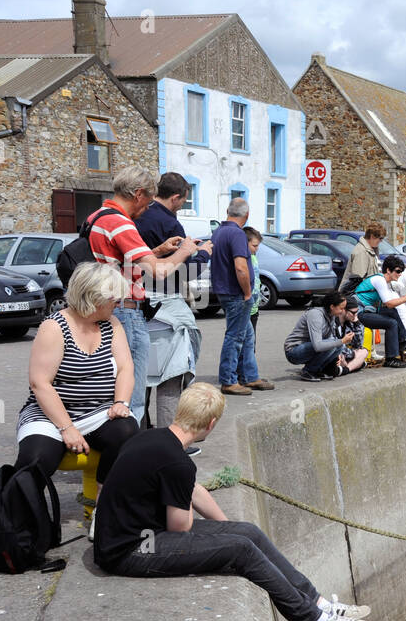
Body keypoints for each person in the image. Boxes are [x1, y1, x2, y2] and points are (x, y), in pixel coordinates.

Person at [93, 382, 373, 621]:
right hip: (129, 551)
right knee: (240, 549)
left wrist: (227, 530)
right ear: (211, 424)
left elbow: (193, 489)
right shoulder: (178, 462)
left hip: (132, 535)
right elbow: (180, 526)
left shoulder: (153, 439)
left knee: (246, 533)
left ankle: (318, 602)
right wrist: (226, 543)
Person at [14, 262, 140, 496]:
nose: (118, 304)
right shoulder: (54, 327)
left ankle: (104, 503)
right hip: (50, 416)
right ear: (95, 299)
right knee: (36, 459)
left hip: (98, 411)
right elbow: (40, 383)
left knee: (128, 432)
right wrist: (67, 428)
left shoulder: (111, 324)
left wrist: (121, 402)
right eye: (114, 298)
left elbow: (125, 368)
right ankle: (16, 520)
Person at [86, 166, 200, 422]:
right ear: (138, 194)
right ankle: (135, 455)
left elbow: (119, 262)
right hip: (126, 309)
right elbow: (159, 272)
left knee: (115, 387)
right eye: (148, 202)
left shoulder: (97, 216)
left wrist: (157, 249)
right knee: (133, 396)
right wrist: (187, 250)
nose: (148, 209)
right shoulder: (120, 222)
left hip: (104, 305)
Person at [135, 171, 209, 447]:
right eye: (183, 201)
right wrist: (203, 254)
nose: (181, 206)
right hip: (163, 308)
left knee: (139, 377)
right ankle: (168, 444)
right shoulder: (169, 223)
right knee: (170, 375)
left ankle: (138, 439)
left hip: (134, 304)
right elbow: (182, 275)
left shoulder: (136, 217)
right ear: (176, 197)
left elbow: (135, 262)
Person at [211, 198, 273, 396]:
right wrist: (247, 292)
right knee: (236, 336)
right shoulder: (236, 234)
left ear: (228, 211)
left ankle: (250, 376)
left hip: (225, 290)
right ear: (246, 215)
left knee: (246, 336)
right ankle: (229, 380)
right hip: (236, 293)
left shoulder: (219, 231)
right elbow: (241, 267)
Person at [283, 292, 366, 381]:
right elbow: (318, 346)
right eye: (341, 308)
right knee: (336, 344)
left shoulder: (332, 315)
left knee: (338, 346)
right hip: (294, 351)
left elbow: (331, 339)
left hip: (310, 348)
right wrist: (342, 341)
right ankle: (308, 371)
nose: (343, 311)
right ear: (332, 307)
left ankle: (318, 370)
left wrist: (337, 354)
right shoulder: (315, 314)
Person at [244, 227, 264, 331]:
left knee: (252, 340)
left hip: (254, 306)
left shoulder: (253, 257)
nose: (257, 248)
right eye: (254, 246)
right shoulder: (244, 259)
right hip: (246, 305)